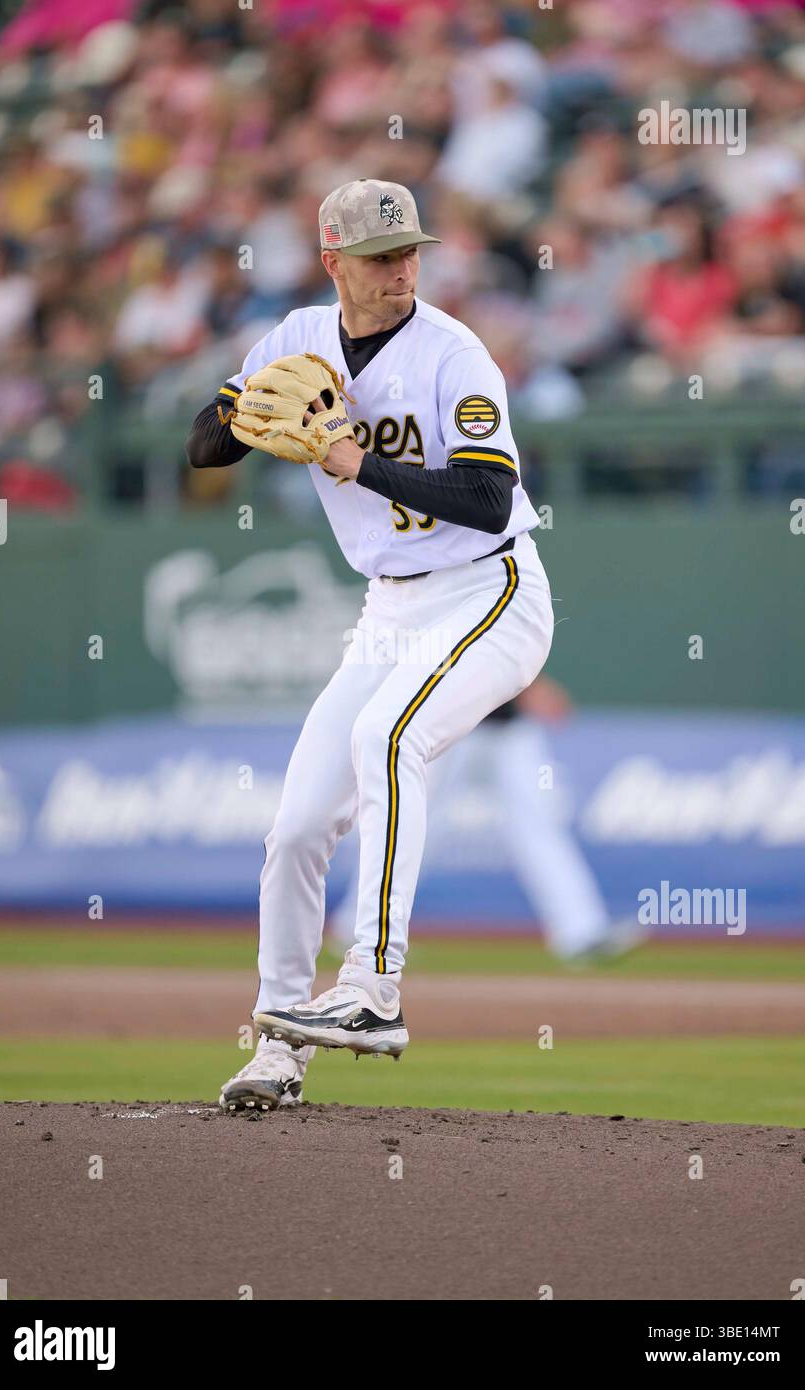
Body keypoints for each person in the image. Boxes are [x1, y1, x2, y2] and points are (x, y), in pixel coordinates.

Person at [187, 179, 554, 1111]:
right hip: (387, 608)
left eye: (410, 251)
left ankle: (373, 991)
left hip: (490, 591)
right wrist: (246, 418)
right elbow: (201, 449)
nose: (402, 268)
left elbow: (487, 499)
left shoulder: (454, 353)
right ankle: (277, 1043)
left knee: (389, 740)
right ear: (333, 262)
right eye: (383, 255)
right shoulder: (296, 339)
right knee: (300, 825)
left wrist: (356, 460)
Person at [330, 676, 648, 963]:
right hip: (451, 727)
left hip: (512, 730)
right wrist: (531, 687)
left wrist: (530, 684)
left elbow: (513, 642)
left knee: (542, 829)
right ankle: (359, 928)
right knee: (411, 826)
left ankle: (582, 934)